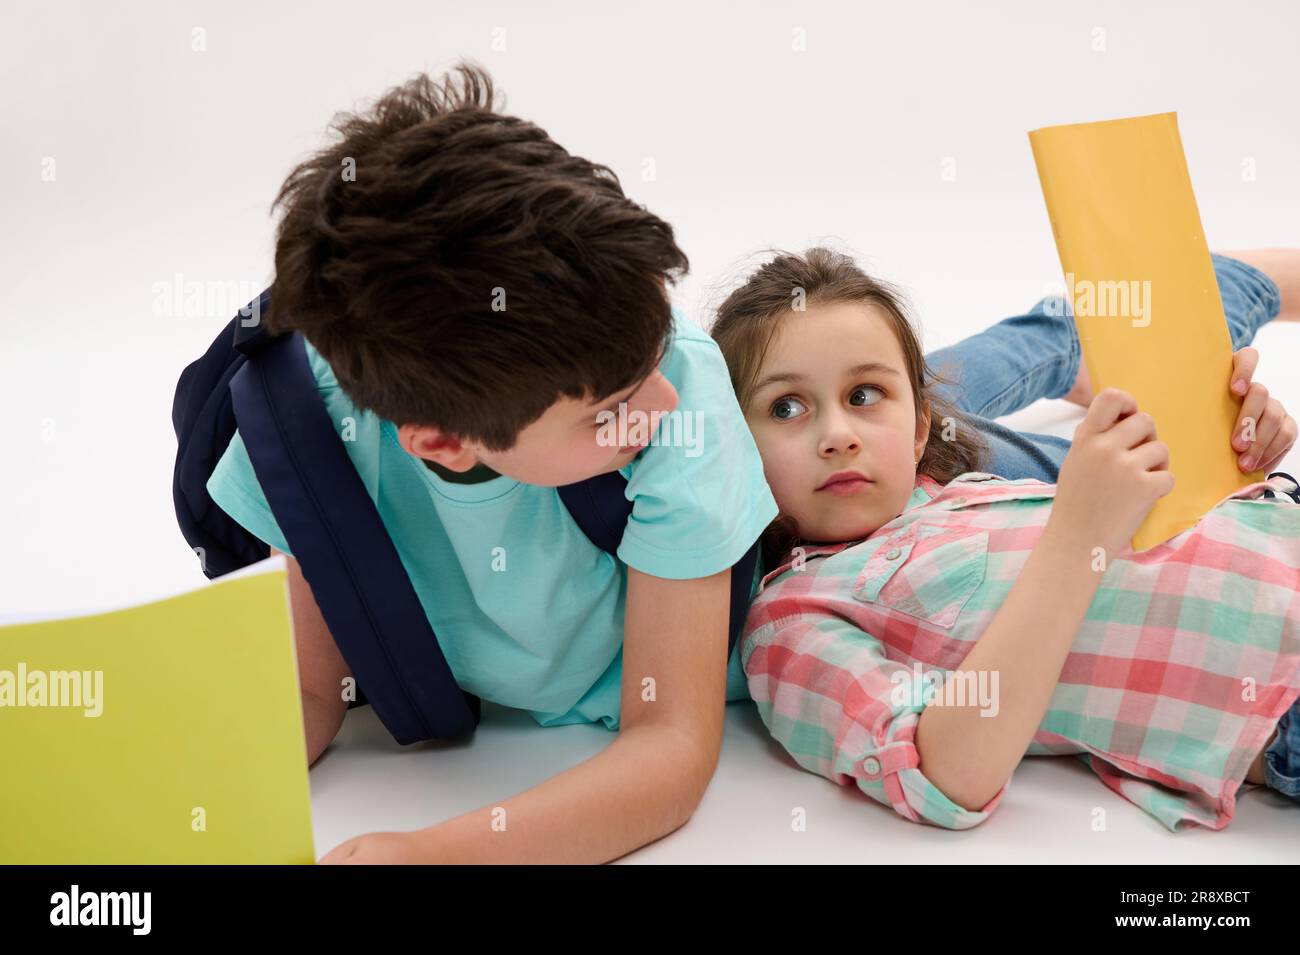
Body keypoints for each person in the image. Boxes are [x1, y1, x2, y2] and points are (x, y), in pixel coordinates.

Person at [205, 64, 776, 863]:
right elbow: (312, 687)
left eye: (655, 353)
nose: (660, 409)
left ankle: (1023, 329)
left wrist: (438, 854)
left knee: (938, 434)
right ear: (439, 439)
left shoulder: (681, 386)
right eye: (609, 411)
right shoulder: (313, 425)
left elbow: (673, 744)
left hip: (801, 475)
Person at [711, 246, 1300, 830]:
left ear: (920, 429)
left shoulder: (959, 493)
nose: (837, 435)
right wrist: (1077, 536)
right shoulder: (791, 618)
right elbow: (941, 774)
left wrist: (1243, 461)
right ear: (735, 449)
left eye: (865, 396)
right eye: (786, 407)